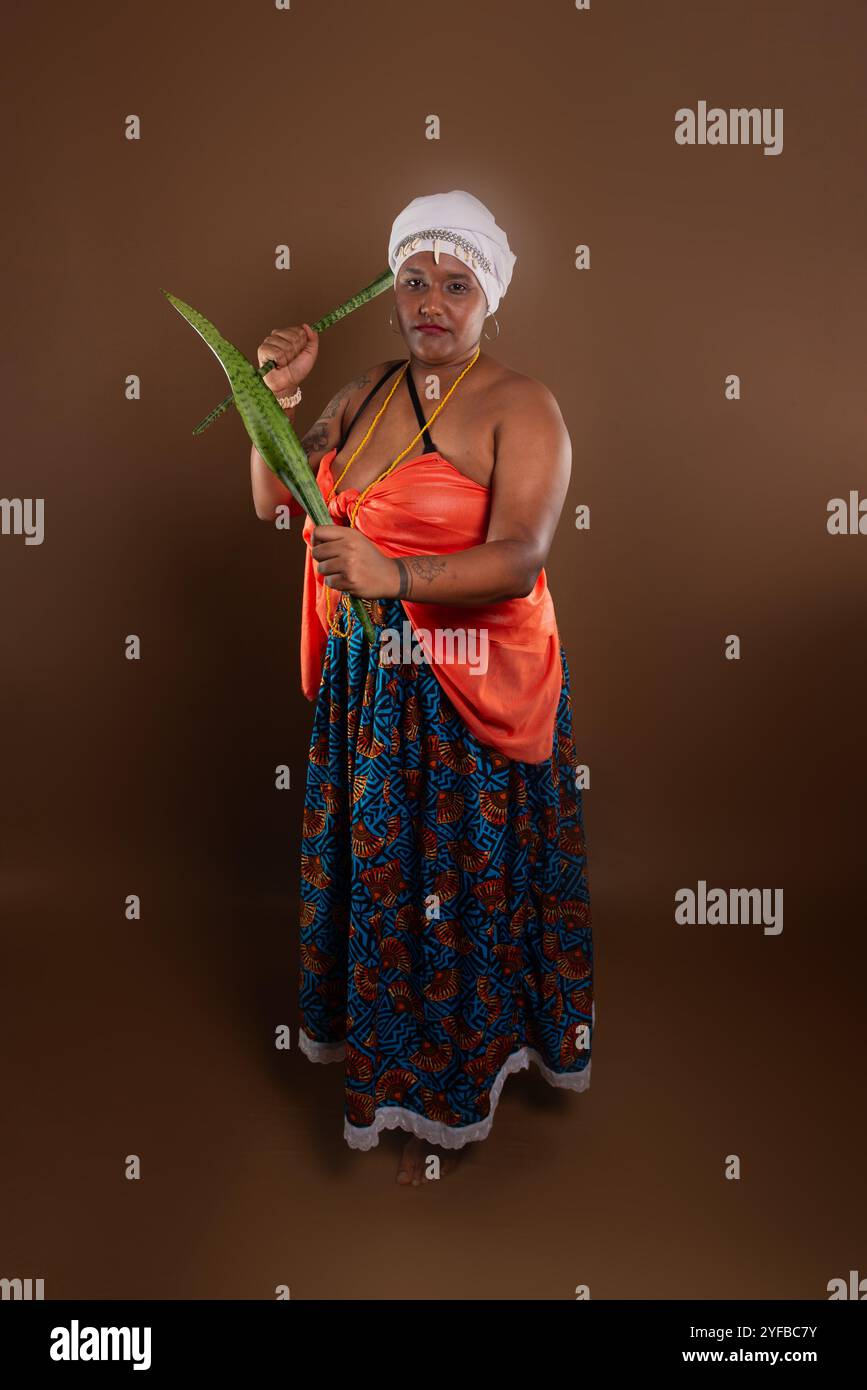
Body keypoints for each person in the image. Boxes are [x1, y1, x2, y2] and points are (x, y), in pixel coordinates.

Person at [249, 190, 594, 1186]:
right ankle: (395, 1074)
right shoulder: (360, 392)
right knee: (389, 889)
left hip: (472, 690)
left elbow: (522, 558)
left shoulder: (525, 405)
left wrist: (393, 575)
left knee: (455, 893)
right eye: (413, 280)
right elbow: (278, 497)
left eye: (455, 283)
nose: (430, 301)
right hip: (371, 688)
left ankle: (451, 1094)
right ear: (392, 292)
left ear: (490, 298)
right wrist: (271, 395)